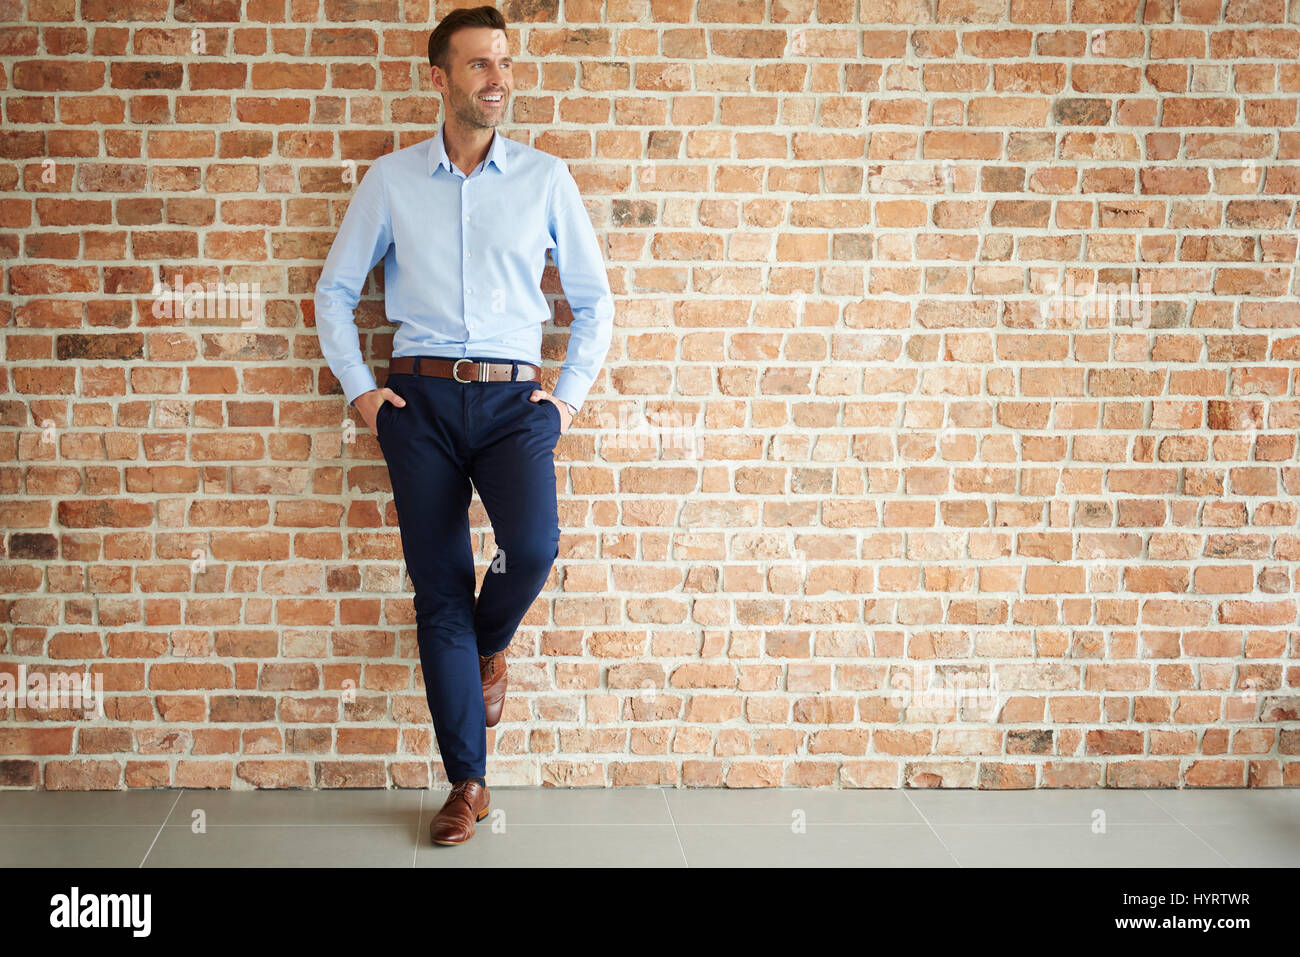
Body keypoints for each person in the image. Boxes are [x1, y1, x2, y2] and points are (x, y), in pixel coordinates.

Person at [313, 4, 614, 846]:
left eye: (506, 63)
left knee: (536, 546)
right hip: (420, 405)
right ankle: (467, 783)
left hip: (518, 404)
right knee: (438, 587)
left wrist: (568, 398)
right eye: (480, 64)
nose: (499, 79)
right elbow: (334, 294)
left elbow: (594, 303)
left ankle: (490, 643)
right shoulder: (390, 181)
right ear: (439, 77)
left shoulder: (546, 179)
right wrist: (363, 393)